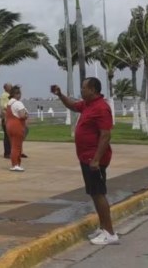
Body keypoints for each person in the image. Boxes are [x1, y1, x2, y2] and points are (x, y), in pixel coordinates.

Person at [51, 78, 118, 246]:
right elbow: (72, 105)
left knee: (99, 193)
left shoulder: (101, 108)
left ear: (93, 90)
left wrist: (96, 159)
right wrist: (60, 95)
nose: (81, 91)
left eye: (84, 88)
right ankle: (103, 228)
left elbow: (105, 135)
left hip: (94, 159)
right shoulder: (88, 105)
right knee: (94, 194)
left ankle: (110, 233)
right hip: (86, 158)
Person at [7, 85, 28, 172]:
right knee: (17, 146)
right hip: (17, 125)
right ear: (17, 94)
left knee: (13, 145)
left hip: (9, 125)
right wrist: (26, 115)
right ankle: (15, 164)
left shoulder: (9, 103)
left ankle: (15, 163)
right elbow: (22, 115)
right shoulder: (18, 103)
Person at [0, 83, 12, 159]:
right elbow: (4, 106)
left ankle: (9, 151)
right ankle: (7, 153)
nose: (11, 87)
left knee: (9, 135)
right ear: (6, 88)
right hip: (6, 118)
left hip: (9, 117)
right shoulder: (5, 95)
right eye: (10, 86)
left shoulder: (9, 96)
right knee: (7, 136)